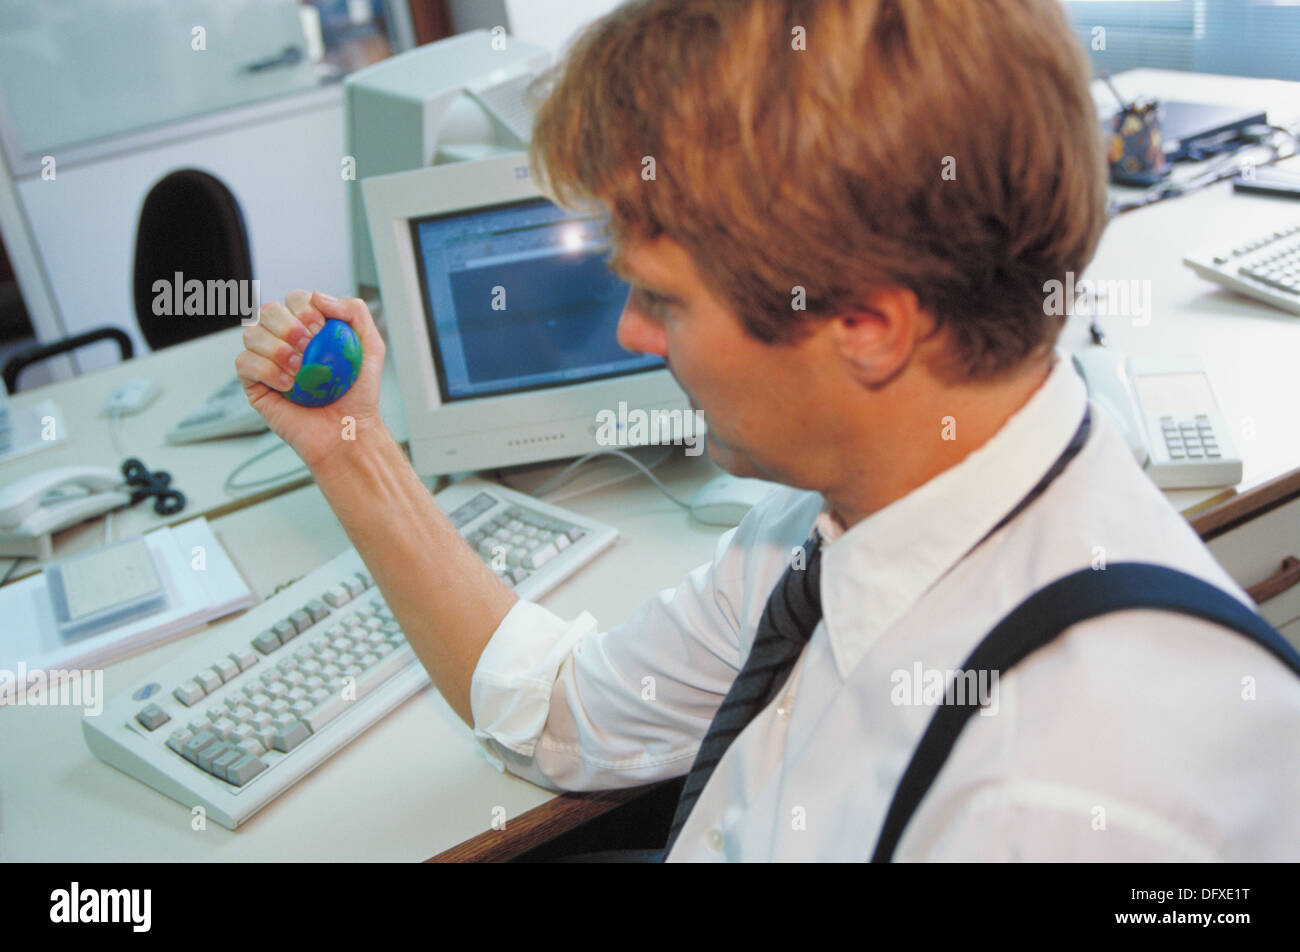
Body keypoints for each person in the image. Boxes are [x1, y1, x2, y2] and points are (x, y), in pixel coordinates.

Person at [236, 0, 1300, 860]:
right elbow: (559, 710)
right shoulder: (846, 518)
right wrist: (351, 446)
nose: (630, 331)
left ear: (866, 328)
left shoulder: (1059, 799)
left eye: (665, 299)